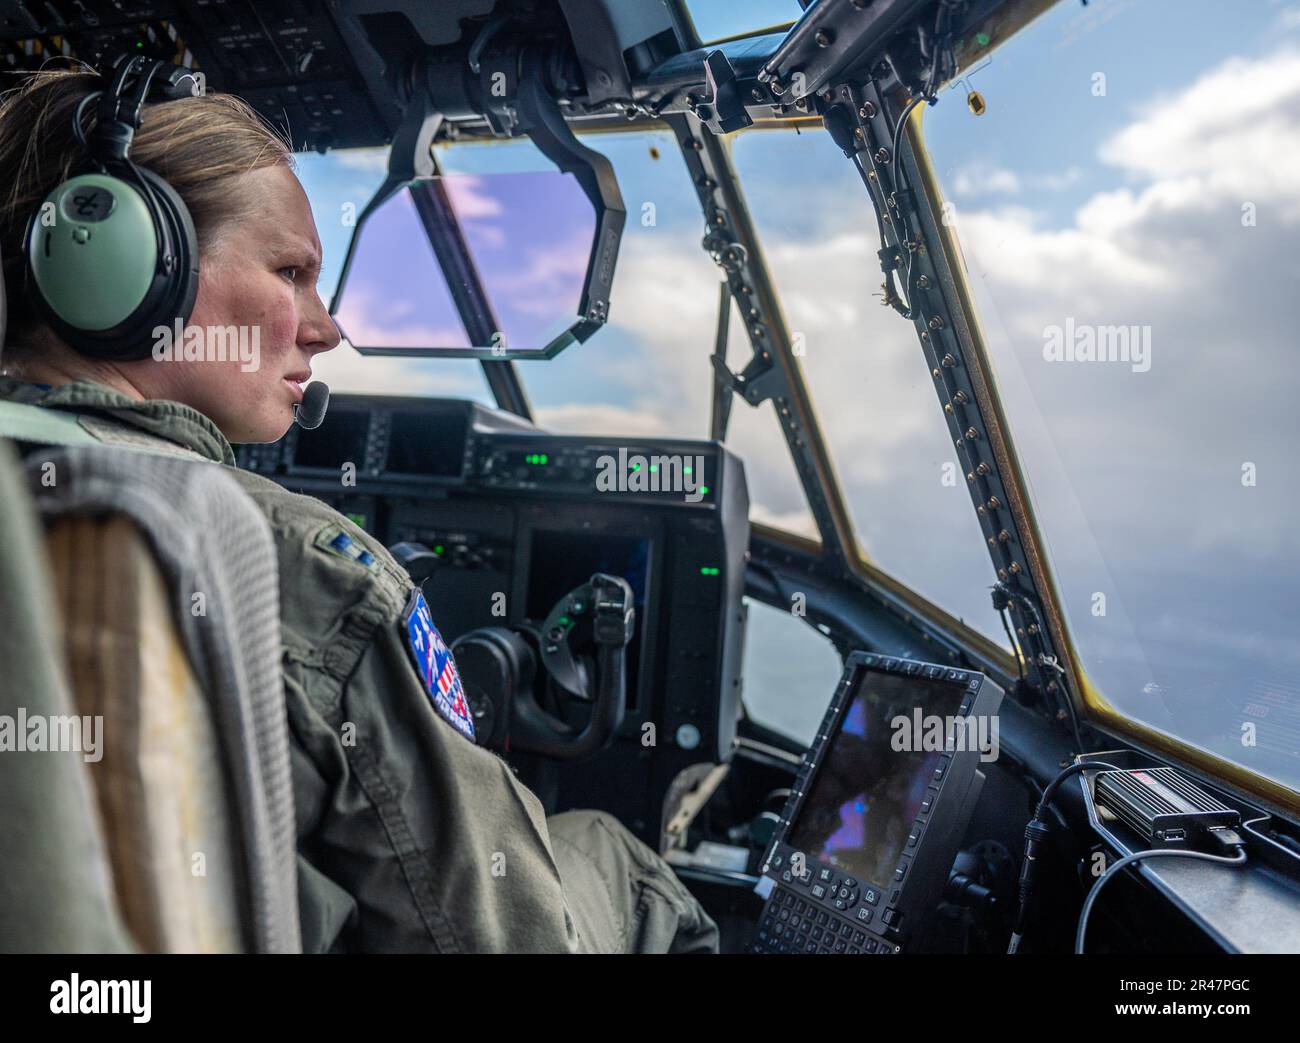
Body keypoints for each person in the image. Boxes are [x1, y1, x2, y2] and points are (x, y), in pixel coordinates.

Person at [0, 65, 718, 954]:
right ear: (129, 271)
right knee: (619, 861)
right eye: (291, 272)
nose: (325, 324)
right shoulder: (295, 564)